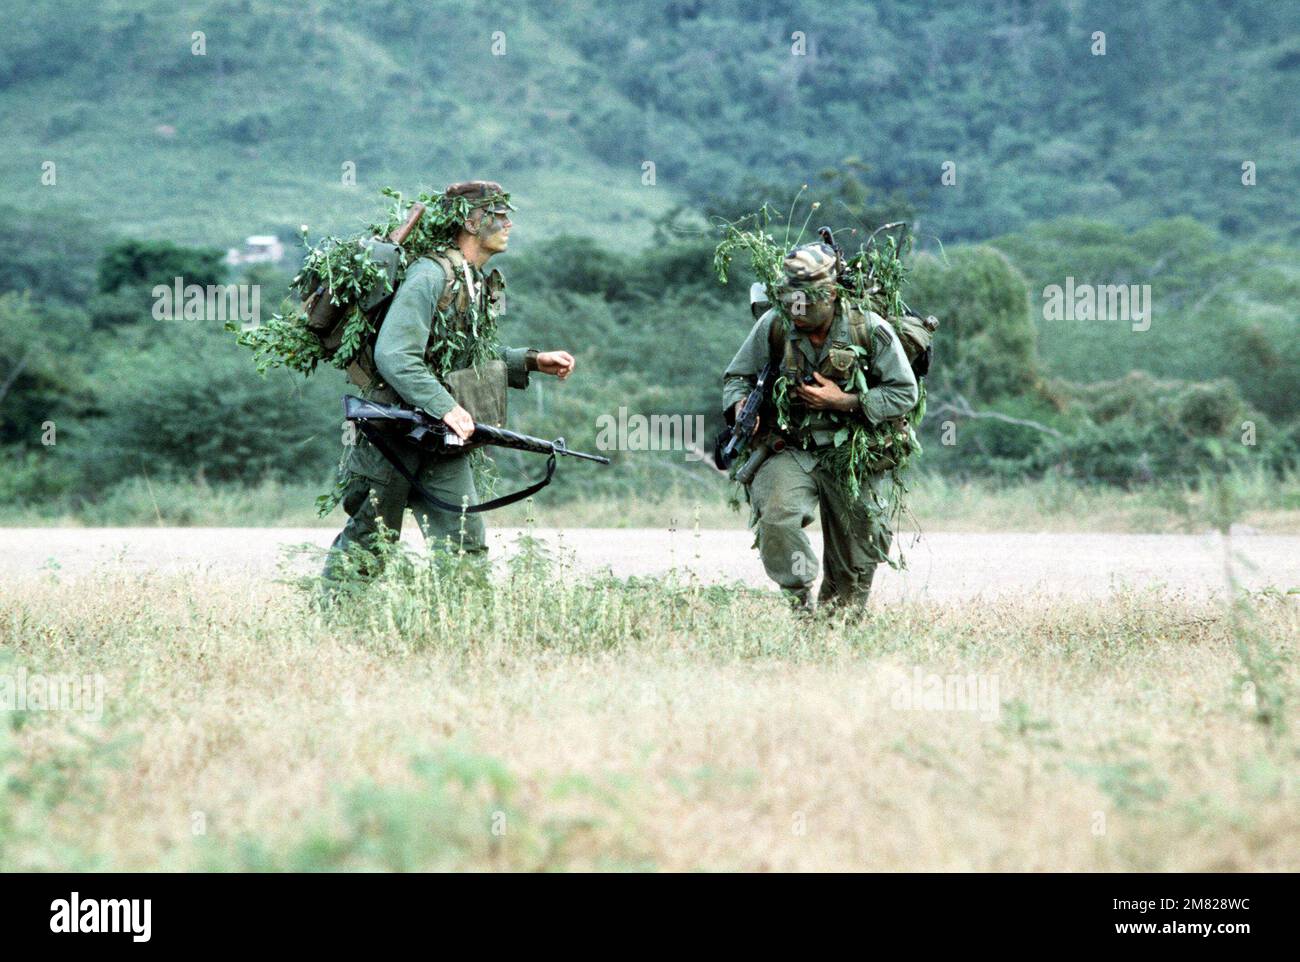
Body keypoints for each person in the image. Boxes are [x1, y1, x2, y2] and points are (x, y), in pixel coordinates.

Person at [323, 180, 575, 580]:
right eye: (499, 214)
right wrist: (447, 407)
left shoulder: (473, 279)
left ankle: (465, 631)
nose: (508, 223)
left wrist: (529, 362)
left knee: (464, 540)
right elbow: (395, 356)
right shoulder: (430, 276)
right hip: (391, 430)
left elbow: (456, 361)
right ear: (471, 223)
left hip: (439, 437)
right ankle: (337, 624)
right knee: (370, 541)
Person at [722, 242, 918, 611]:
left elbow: (903, 393)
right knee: (778, 520)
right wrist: (740, 405)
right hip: (790, 446)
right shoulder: (775, 324)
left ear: (830, 295)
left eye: (806, 304)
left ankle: (837, 627)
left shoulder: (869, 329)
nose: (796, 312)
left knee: (857, 555)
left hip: (854, 452)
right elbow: (737, 376)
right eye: (790, 301)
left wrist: (844, 402)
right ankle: (799, 604)